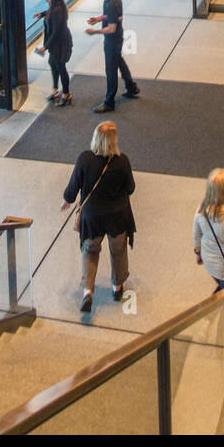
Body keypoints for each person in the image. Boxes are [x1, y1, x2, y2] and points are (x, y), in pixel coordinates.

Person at [61, 121, 136, 312]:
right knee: (118, 251)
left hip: (91, 217)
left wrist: (67, 200)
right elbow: (130, 189)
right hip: (117, 217)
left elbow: (73, 187)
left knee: (90, 250)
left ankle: (87, 291)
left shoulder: (85, 159)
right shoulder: (122, 161)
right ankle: (117, 287)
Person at [86, 0, 139, 113]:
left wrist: (94, 31)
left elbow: (111, 28)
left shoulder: (111, 3)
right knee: (119, 62)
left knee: (111, 71)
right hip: (117, 39)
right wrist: (98, 18)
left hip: (112, 40)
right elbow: (110, 16)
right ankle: (132, 87)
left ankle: (109, 102)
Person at [34, 0, 73, 106]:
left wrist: (44, 47)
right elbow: (48, 13)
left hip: (61, 44)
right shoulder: (54, 8)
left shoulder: (57, 11)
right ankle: (55, 90)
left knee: (61, 67)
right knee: (53, 64)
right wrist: (41, 14)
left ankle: (66, 94)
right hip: (56, 44)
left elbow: (56, 33)